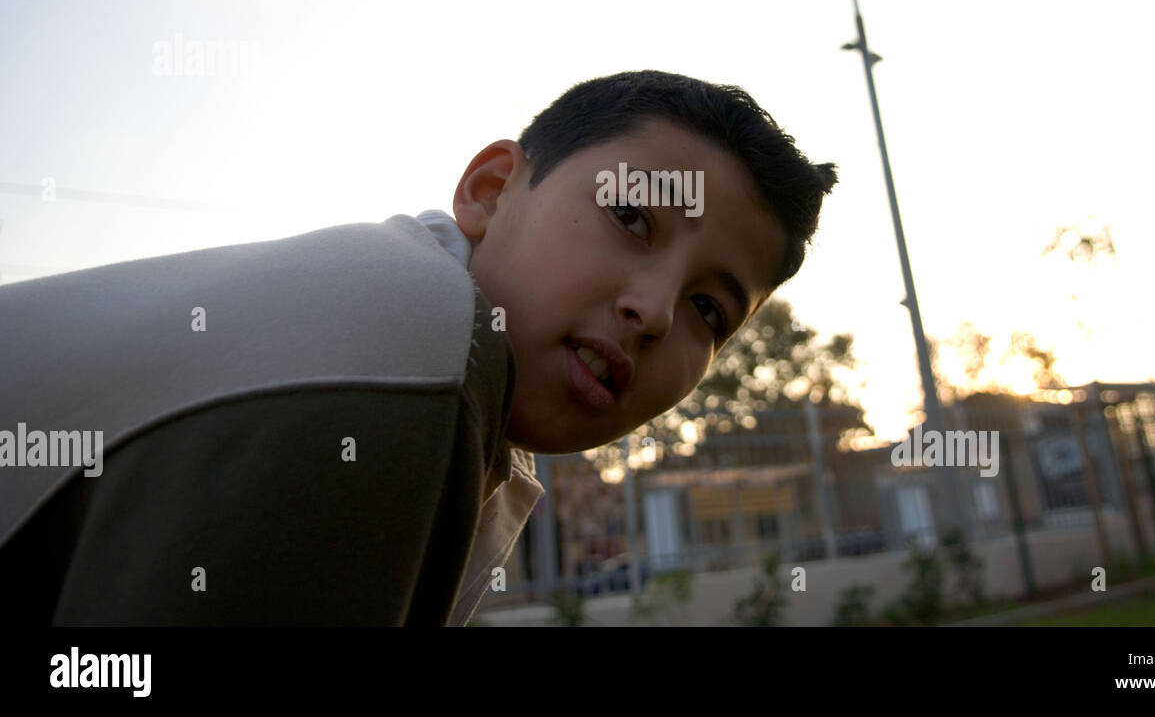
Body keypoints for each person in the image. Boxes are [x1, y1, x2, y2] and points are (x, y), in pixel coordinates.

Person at [0, 69, 837, 625]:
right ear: (491, 190)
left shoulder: (447, 378)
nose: (653, 312)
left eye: (709, 309)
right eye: (629, 217)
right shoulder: (409, 361)